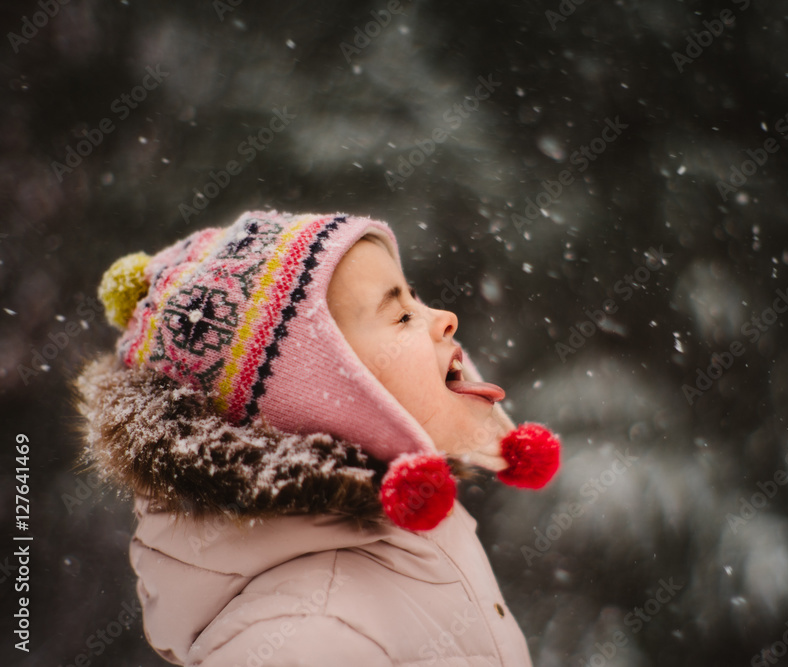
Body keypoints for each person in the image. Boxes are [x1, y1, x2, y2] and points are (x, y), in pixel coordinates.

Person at [73, 210, 560, 666]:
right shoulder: (309, 637)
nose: (444, 316)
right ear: (325, 400)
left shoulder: (410, 546)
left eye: (414, 296)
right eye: (401, 314)